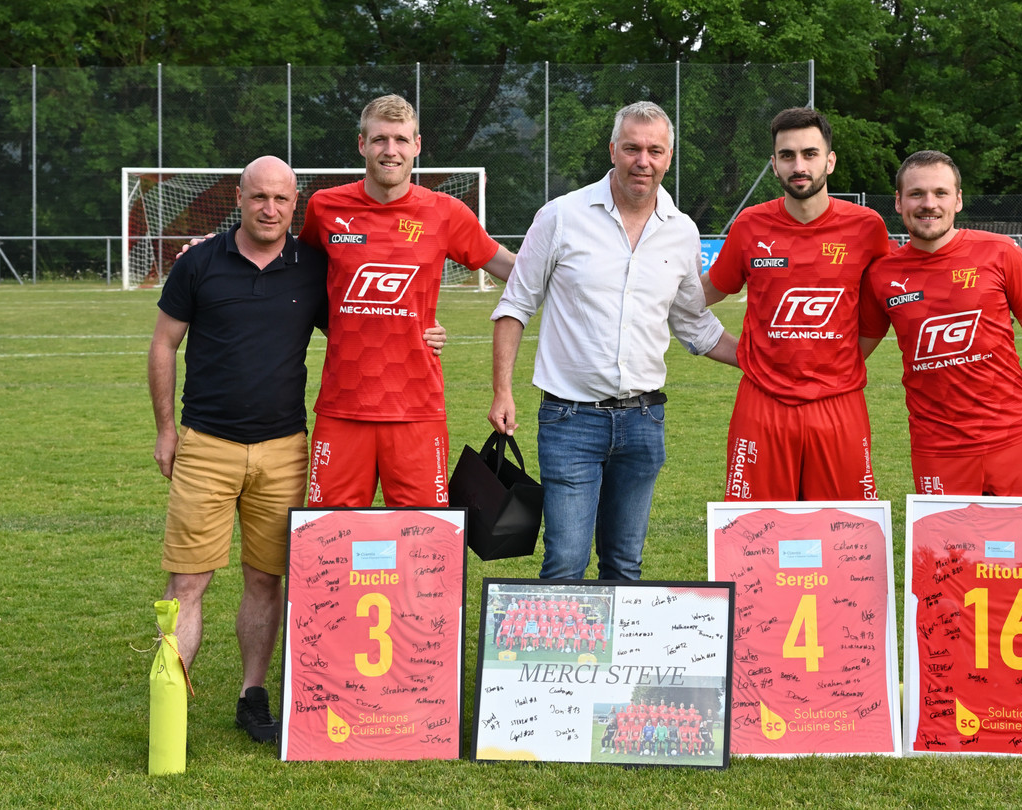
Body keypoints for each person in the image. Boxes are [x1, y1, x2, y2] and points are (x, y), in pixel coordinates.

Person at [488, 101, 739, 581]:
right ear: (612, 150)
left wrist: (764, 358)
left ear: (669, 157)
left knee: (624, 565)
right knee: (566, 563)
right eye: (631, 148)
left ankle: (615, 636)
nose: (643, 161)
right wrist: (503, 390)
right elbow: (514, 306)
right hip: (570, 420)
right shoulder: (561, 216)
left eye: (654, 150)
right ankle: (558, 636)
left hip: (644, 422)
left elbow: (694, 325)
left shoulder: (682, 231)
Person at [148, 156, 326, 744]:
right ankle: (170, 702)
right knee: (187, 585)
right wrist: (166, 431)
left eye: (281, 199)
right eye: (258, 197)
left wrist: (422, 331)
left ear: (295, 204)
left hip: (285, 449)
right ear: (239, 198)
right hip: (206, 446)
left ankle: (253, 695)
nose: (269, 209)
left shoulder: (313, 268)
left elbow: (363, 328)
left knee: (266, 580)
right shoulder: (199, 262)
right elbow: (164, 344)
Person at [300, 94, 515, 509]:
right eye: (379, 139)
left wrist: (572, 262)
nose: (390, 150)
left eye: (400, 139)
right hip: (342, 408)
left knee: (424, 535)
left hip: (417, 407)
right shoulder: (325, 207)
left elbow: (510, 267)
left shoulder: (445, 212)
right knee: (329, 534)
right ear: (362, 144)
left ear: (417, 145)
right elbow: (293, 274)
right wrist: (211, 248)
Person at [859, 150, 1022, 495]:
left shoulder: (1001, 252)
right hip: (937, 449)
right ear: (899, 202)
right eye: (916, 194)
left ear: (958, 200)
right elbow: (854, 352)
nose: (929, 204)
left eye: (940, 193)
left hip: (1013, 438)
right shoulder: (881, 275)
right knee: (948, 536)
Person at [703, 107, 891, 501]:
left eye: (810, 154)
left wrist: (838, 363)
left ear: (830, 161)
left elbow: (884, 311)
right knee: (756, 528)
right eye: (787, 156)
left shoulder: (868, 227)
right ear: (774, 164)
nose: (799, 166)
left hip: (839, 404)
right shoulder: (749, 225)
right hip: (762, 402)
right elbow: (704, 294)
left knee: (844, 527)